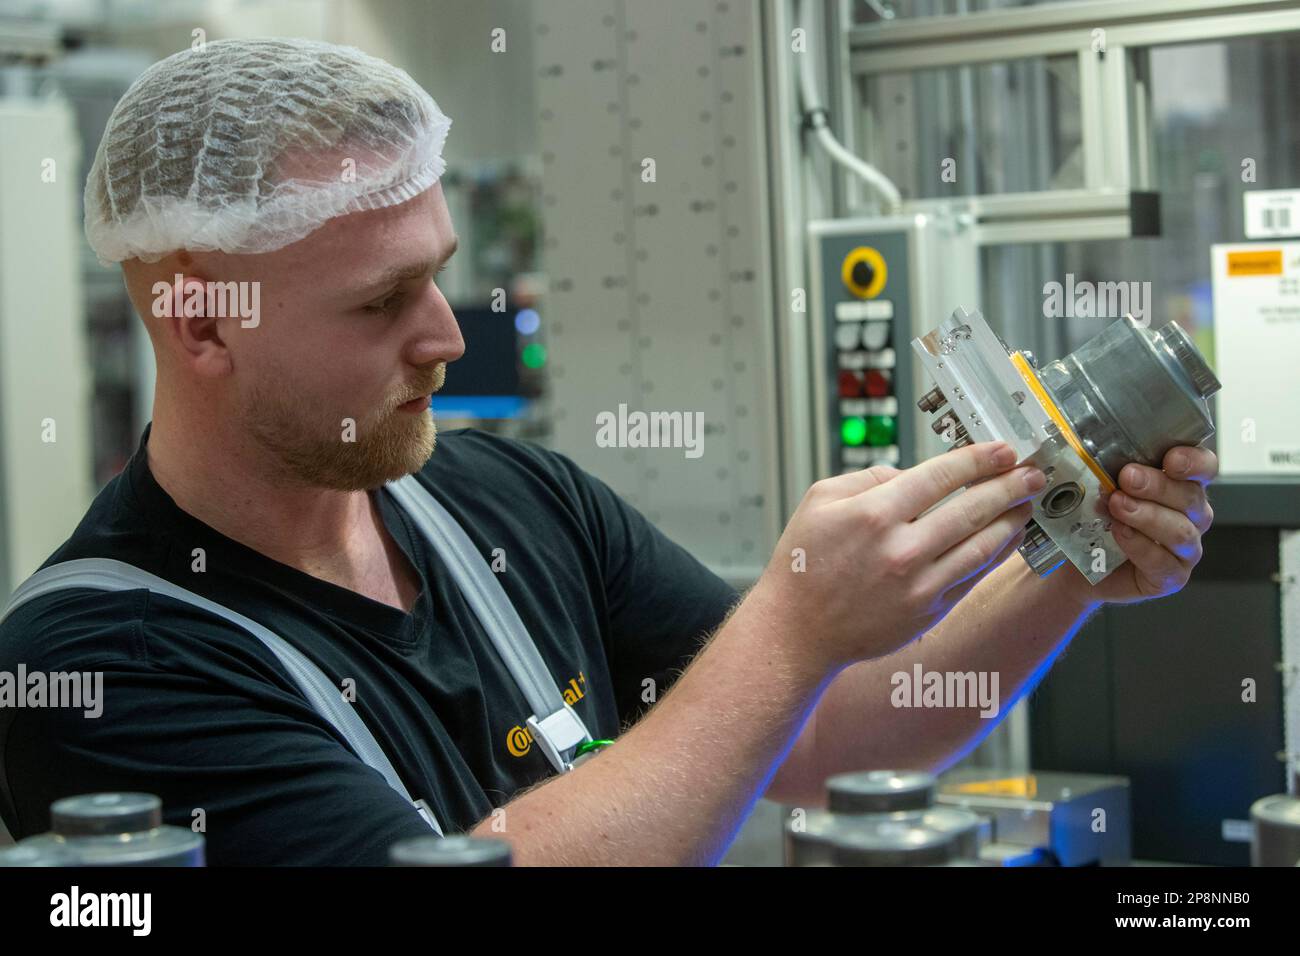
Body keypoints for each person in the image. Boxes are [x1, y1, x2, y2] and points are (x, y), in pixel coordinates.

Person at [0, 38, 1215, 866]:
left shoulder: (501, 490)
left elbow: (835, 729)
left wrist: (1062, 565)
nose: (444, 336)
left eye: (441, 277)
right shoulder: (98, 660)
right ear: (203, 319)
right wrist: (789, 625)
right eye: (380, 304)